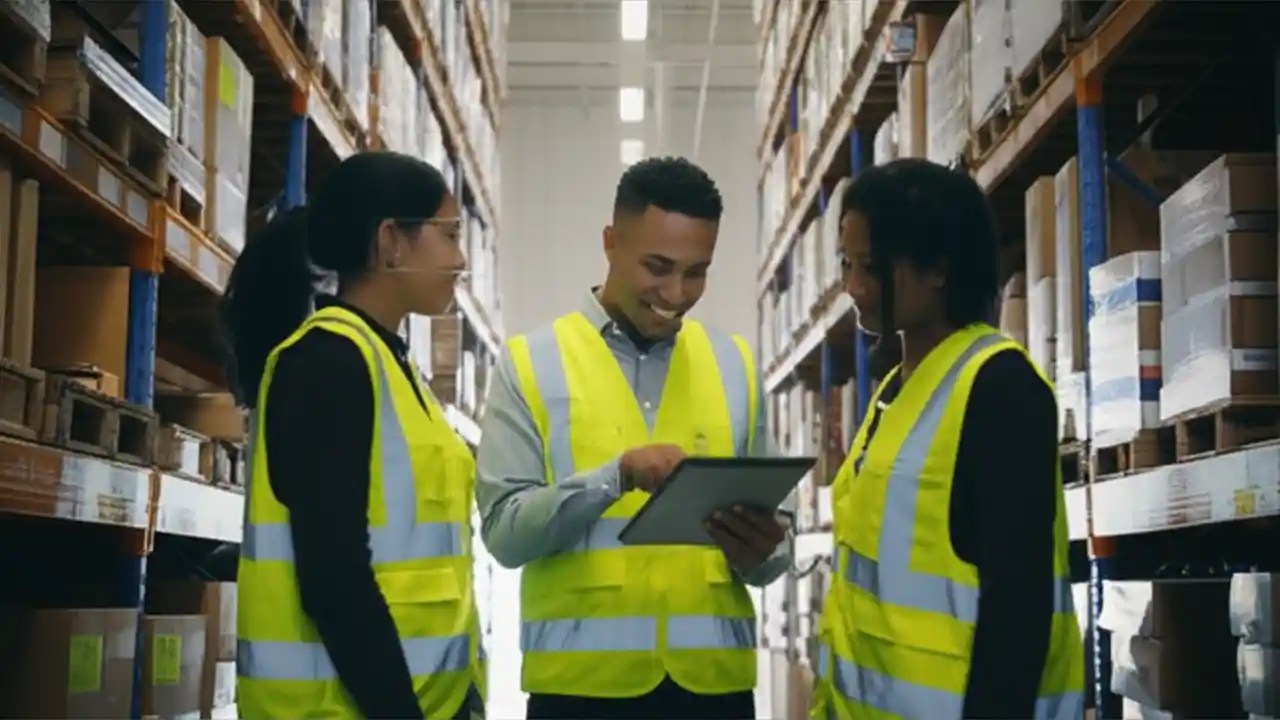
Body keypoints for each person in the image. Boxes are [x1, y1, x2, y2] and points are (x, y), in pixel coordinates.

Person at [475, 156, 790, 720]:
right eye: (658, 266)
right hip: (581, 693)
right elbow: (504, 536)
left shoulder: (734, 365)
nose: (676, 292)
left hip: (714, 692)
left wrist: (764, 549)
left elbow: (773, 555)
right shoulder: (530, 363)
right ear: (610, 242)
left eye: (697, 272)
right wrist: (613, 478)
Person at [810, 159, 1084, 720]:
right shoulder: (894, 391)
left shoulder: (1001, 388)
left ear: (938, 269)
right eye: (846, 264)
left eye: (871, 267)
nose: (853, 287)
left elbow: (1018, 612)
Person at [220, 151, 485, 719]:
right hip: (347, 708)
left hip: (423, 698)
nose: (460, 259)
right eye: (449, 235)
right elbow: (334, 576)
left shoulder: (390, 364)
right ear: (392, 240)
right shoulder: (327, 364)